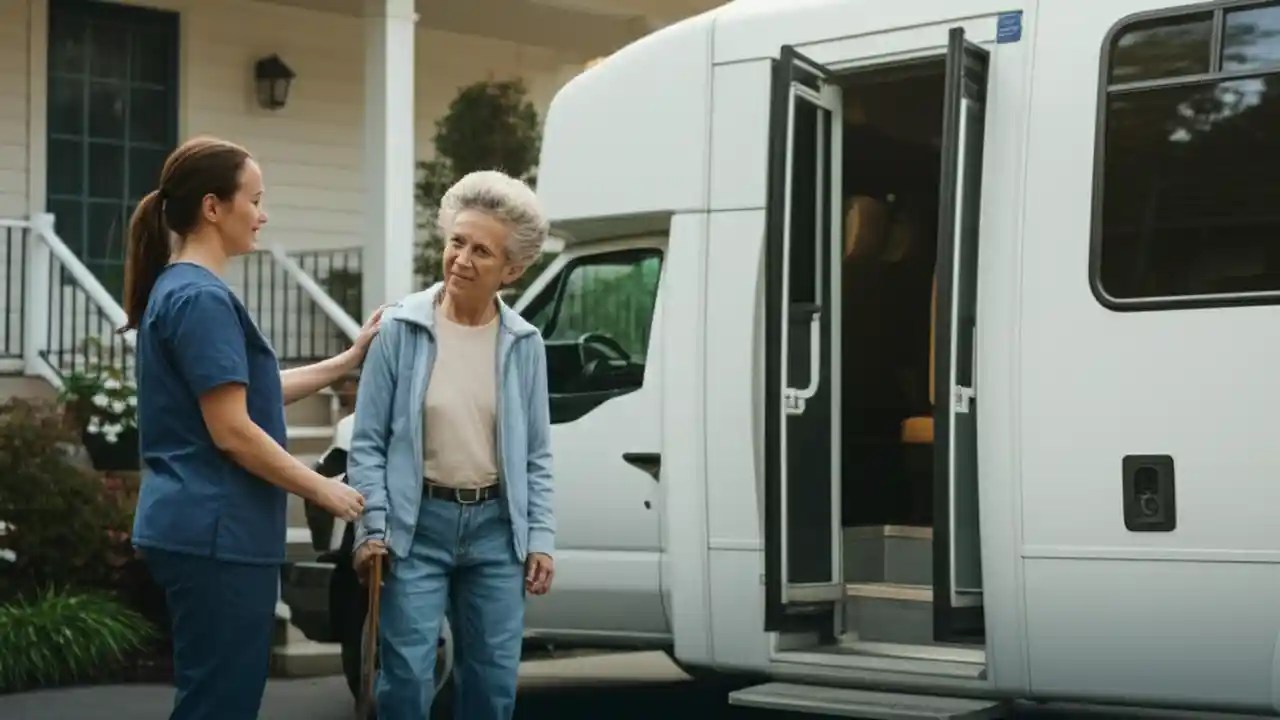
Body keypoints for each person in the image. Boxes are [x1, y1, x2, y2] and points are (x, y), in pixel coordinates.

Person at [123, 135, 382, 720]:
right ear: (213, 208)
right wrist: (321, 488)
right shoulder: (200, 298)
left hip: (204, 529)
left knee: (215, 699)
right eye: (256, 200)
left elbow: (253, 395)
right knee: (222, 704)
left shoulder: (183, 290)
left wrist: (346, 361)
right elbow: (233, 431)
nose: (263, 215)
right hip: (217, 533)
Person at [347, 170, 556, 720]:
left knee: (491, 682)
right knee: (406, 677)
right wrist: (373, 529)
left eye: (481, 250)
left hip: (495, 532)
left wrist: (541, 537)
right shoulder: (400, 329)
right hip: (417, 528)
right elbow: (367, 443)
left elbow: (536, 454)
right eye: (456, 242)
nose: (461, 258)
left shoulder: (525, 343)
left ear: (511, 270)